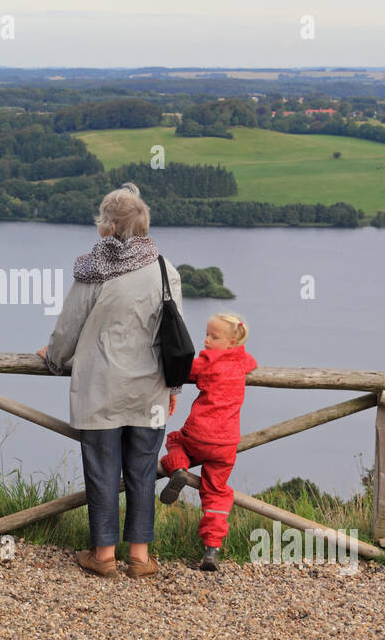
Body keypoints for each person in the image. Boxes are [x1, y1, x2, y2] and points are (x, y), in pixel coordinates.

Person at [38, 182, 181, 579]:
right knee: (142, 470)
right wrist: (173, 389)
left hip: (100, 387)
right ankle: (139, 556)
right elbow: (175, 336)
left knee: (102, 470)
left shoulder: (93, 268)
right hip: (149, 388)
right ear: (143, 226)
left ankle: (102, 555)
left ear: (107, 226)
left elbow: (67, 329)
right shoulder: (165, 269)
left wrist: (53, 359)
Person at [160, 313, 257, 571]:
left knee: (174, 441)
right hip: (226, 444)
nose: (206, 340)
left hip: (199, 435)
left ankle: (179, 470)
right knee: (216, 492)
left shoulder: (207, 361)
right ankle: (212, 549)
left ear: (231, 340)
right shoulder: (242, 361)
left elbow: (185, 370)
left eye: (213, 337)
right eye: (207, 334)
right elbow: (252, 362)